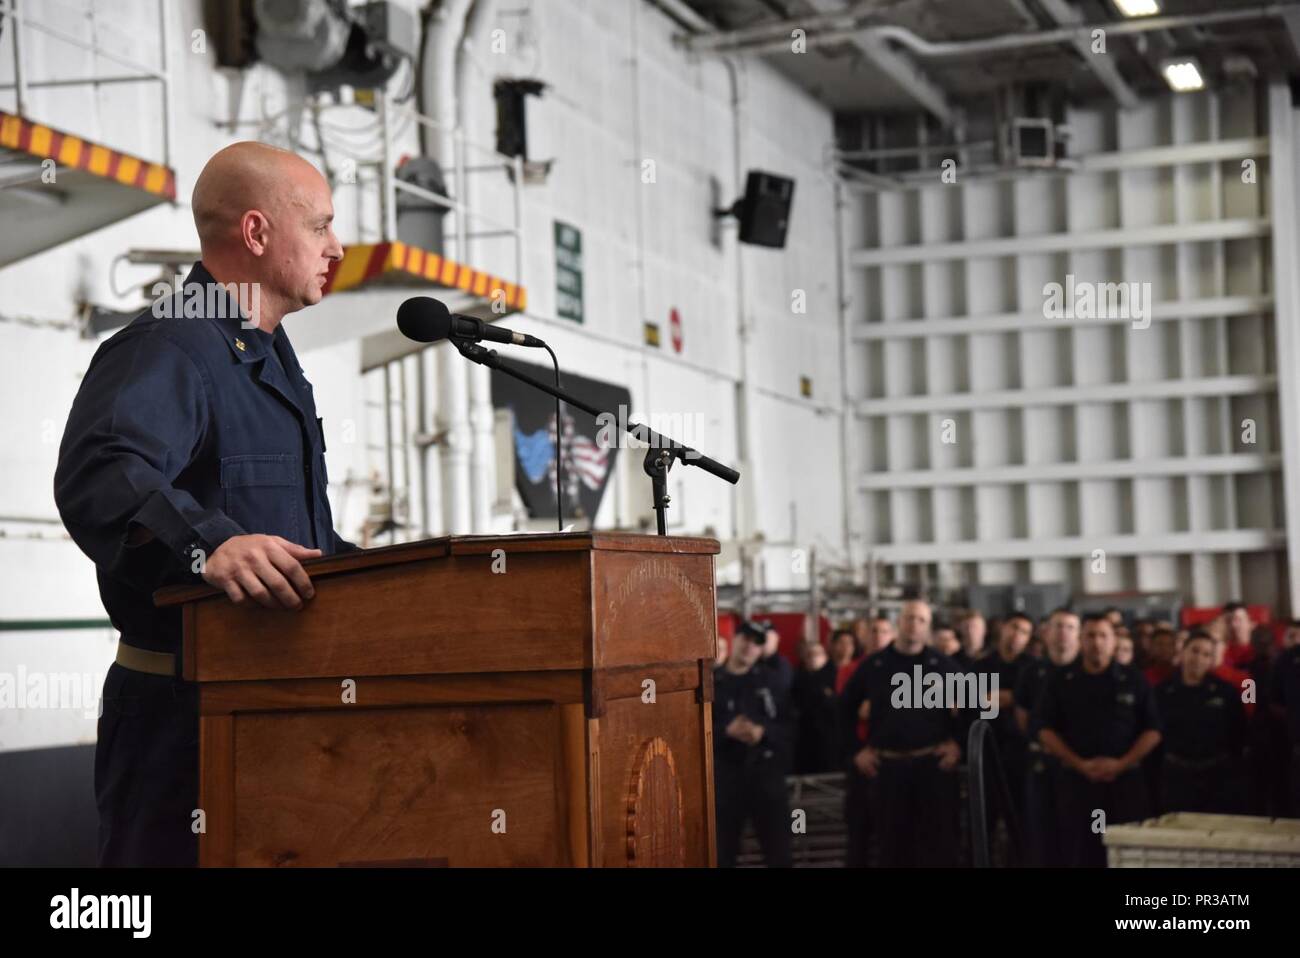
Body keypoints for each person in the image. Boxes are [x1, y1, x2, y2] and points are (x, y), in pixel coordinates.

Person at [54, 142, 355, 867]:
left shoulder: (267, 356)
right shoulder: (170, 346)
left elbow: (299, 537)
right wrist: (207, 544)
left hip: (270, 712)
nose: (336, 248)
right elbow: (102, 472)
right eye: (319, 226)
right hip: (180, 724)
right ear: (256, 234)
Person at [839, 599, 963, 867]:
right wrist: (856, 751)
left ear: (928, 627)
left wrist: (958, 745)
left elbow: (973, 708)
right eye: (909, 618)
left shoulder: (942, 664)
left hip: (933, 769)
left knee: (939, 849)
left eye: (921, 620)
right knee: (892, 849)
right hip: (887, 770)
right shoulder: (874, 665)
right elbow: (842, 711)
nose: (914, 625)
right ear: (899, 622)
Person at [1032, 614, 1162, 868]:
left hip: (1125, 783)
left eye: (1103, 635)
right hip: (1077, 783)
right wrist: (1080, 764)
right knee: (1080, 852)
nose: (1096, 642)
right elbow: (1044, 729)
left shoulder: (1133, 679)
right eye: (1090, 635)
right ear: (1081, 640)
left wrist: (1122, 763)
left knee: (1128, 853)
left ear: (1114, 641)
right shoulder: (1061, 680)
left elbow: (1153, 729)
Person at [713, 623, 795, 867]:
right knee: (721, 850)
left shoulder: (771, 682)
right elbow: (693, 728)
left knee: (778, 849)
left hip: (766, 775)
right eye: (746, 639)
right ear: (735, 639)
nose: (750, 646)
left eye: (757, 642)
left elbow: (790, 726)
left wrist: (763, 732)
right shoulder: (712, 682)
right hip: (725, 776)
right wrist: (726, 731)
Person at [1014, 608, 1079, 866]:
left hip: (1079, 766)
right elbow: (1023, 716)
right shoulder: (1031, 672)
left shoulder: (1088, 671)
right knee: (1041, 834)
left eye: (1070, 627)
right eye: (1058, 626)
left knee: (1079, 836)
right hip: (1041, 764)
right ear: (1046, 632)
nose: (1063, 633)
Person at [1156, 631, 1245, 814]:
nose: (1198, 658)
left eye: (1206, 654)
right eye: (1194, 651)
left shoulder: (1225, 691)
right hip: (1176, 774)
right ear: (1182, 653)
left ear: (1211, 660)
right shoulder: (1162, 691)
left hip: (1216, 775)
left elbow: (1238, 732)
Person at [791, 639, 840, 774]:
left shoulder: (836, 676)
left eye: (817, 653)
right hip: (803, 738)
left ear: (825, 656)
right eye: (809, 654)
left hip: (829, 738)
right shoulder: (796, 679)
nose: (813, 657)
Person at [1220, 601, 1256, 669]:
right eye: (1228, 621)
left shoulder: (1261, 650)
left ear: (1251, 624)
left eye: (1238, 619)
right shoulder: (1219, 652)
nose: (1233, 625)